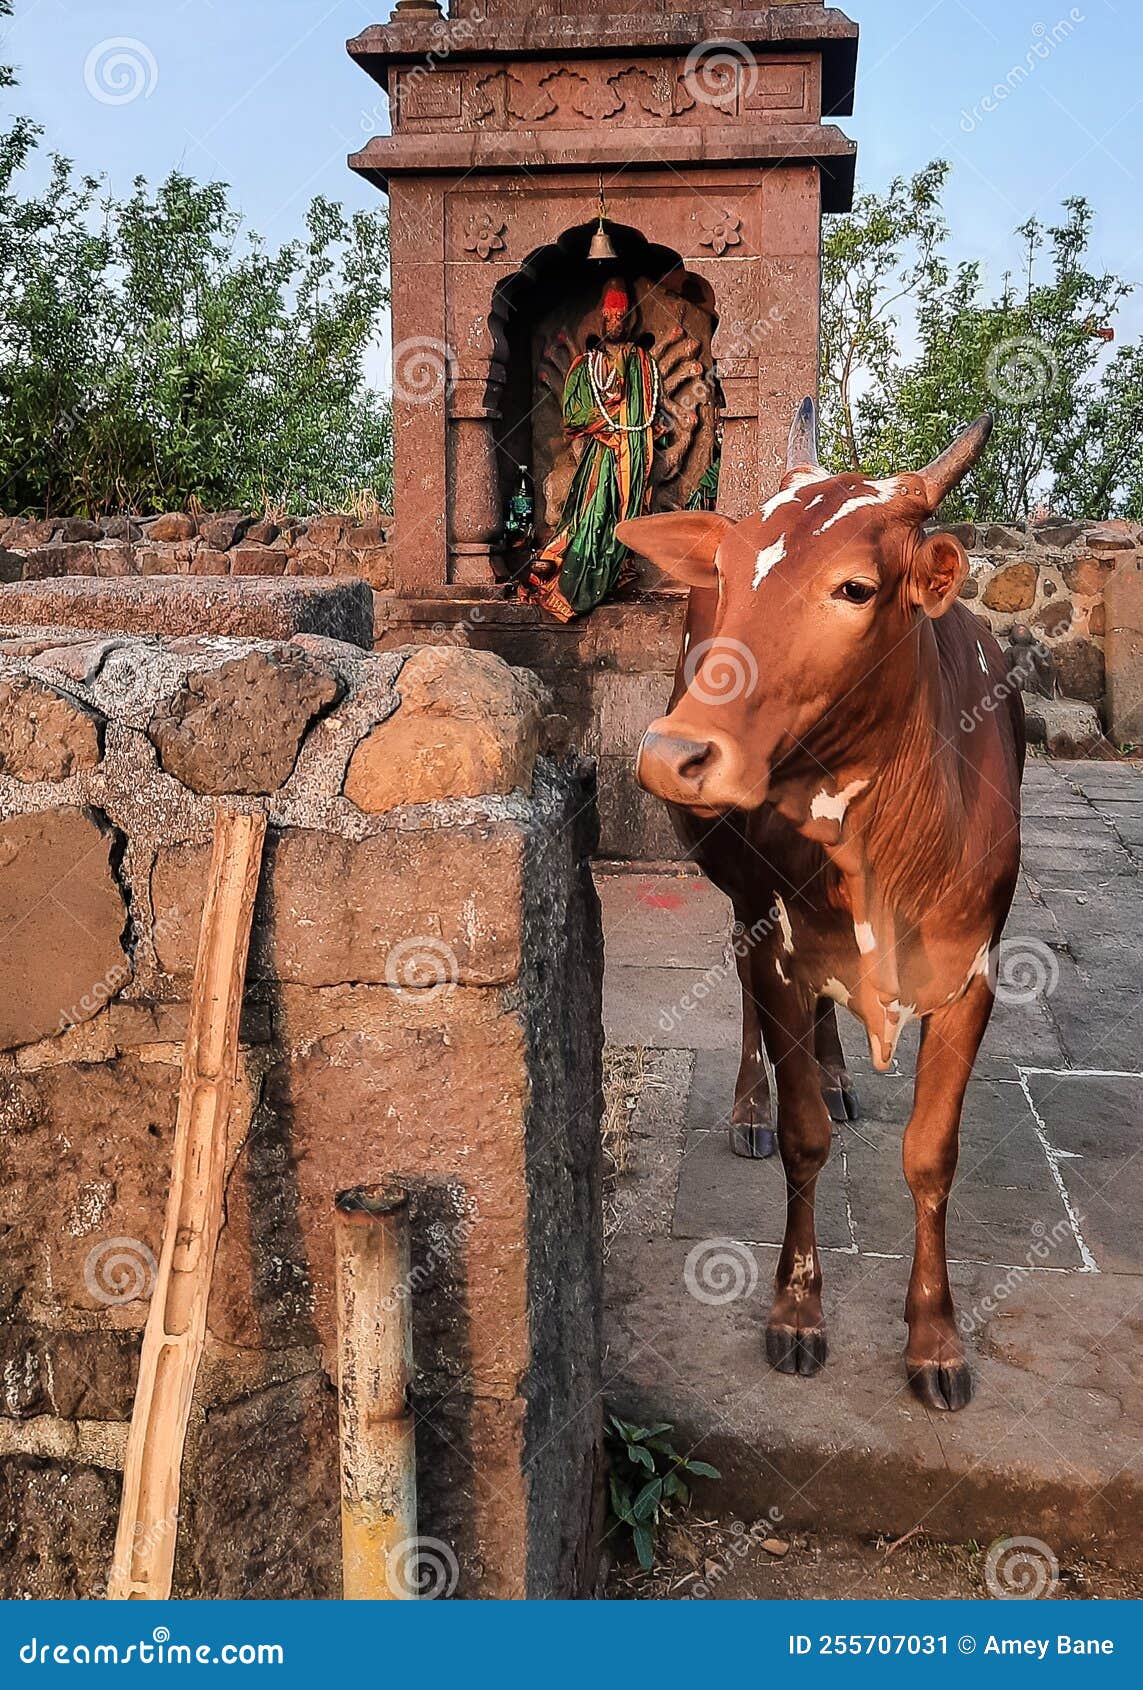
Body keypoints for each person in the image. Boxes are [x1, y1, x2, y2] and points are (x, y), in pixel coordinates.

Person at [520, 278, 661, 622]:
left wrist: (635, 433)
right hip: (600, 454)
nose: (616, 323)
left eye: (622, 317)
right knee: (594, 515)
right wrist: (608, 426)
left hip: (636, 451)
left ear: (631, 320)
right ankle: (570, 572)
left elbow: (650, 410)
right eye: (610, 317)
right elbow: (575, 412)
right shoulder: (585, 364)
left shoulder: (643, 361)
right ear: (601, 319)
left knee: (629, 516)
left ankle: (618, 571)